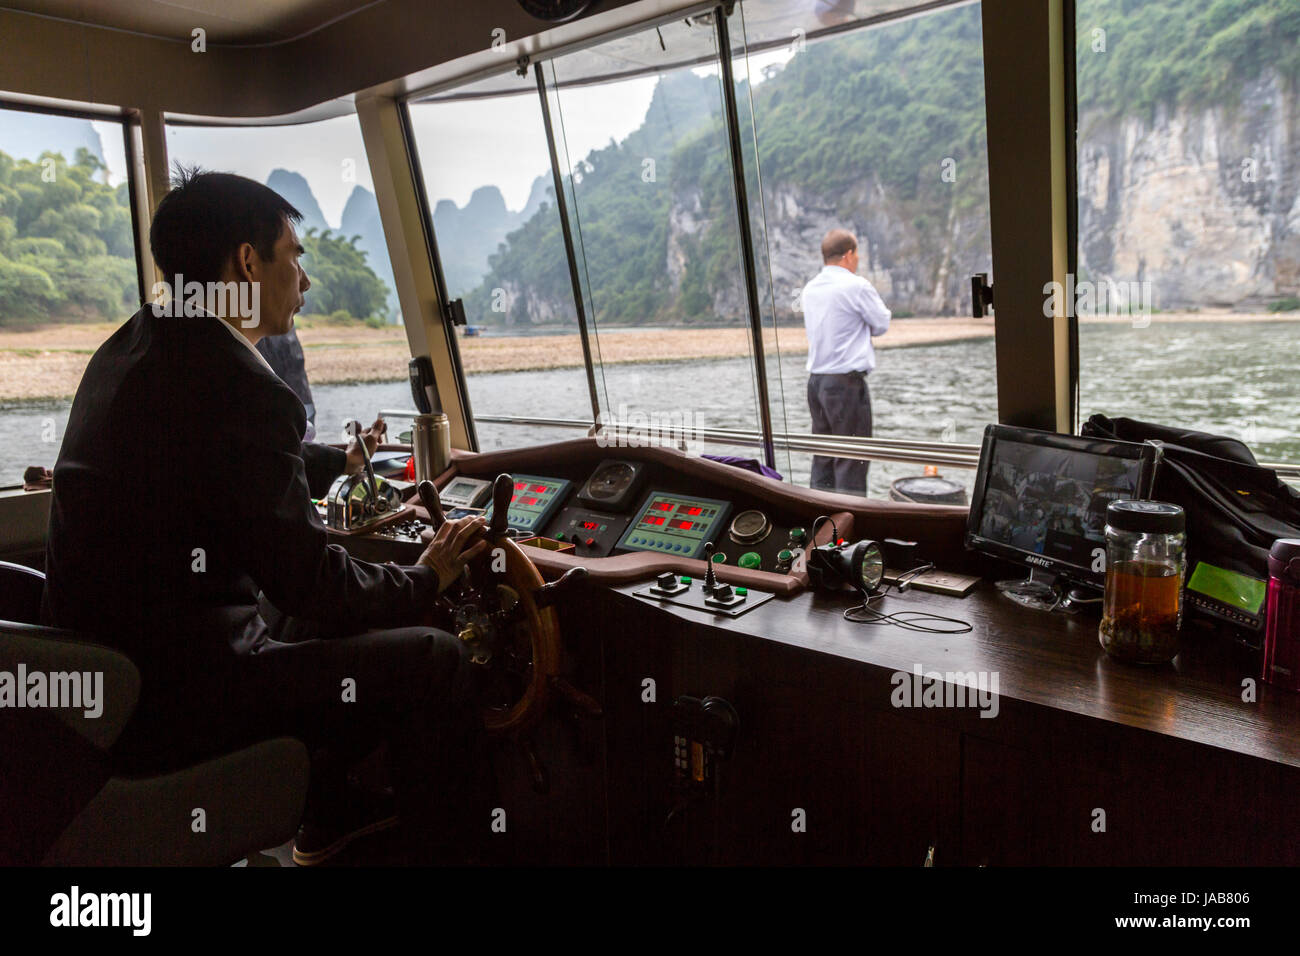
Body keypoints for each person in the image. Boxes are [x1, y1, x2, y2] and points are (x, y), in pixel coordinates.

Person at [42, 169, 491, 865]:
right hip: (182, 701)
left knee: (302, 625)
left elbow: (219, 461)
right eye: (295, 257)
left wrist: (336, 463)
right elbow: (313, 582)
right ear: (247, 262)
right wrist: (428, 576)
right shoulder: (241, 386)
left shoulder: (130, 348)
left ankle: (329, 813)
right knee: (437, 657)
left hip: (117, 683)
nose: (304, 282)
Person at [800, 228, 891, 495]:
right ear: (849, 255)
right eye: (857, 254)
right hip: (845, 383)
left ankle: (819, 518)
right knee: (852, 458)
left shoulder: (810, 289)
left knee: (823, 455)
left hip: (816, 382)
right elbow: (882, 323)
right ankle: (851, 525)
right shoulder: (855, 285)